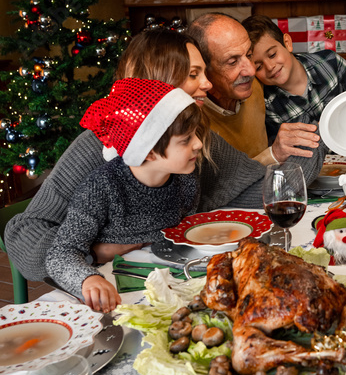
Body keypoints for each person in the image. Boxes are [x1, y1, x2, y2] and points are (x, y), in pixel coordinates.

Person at [4, 29, 325, 284]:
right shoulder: (97, 147)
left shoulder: (194, 139)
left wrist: (318, 138)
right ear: (156, 83)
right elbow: (23, 235)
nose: (207, 83)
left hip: (170, 275)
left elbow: (254, 186)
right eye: (194, 74)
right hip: (103, 286)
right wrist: (93, 251)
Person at [46, 79, 203, 312]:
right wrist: (89, 279)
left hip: (169, 282)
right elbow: (60, 254)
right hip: (115, 292)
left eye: (195, 135)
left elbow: (183, 232)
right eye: (186, 140)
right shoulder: (101, 187)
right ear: (148, 151)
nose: (199, 144)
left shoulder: (186, 180)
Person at [187, 13, 323, 165]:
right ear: (205, 71)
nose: (251, 71)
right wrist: (273, 154)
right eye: (232, 62)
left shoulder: (257, 83)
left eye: (249, 54)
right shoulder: (191, 120)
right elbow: (217, 185)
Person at [242, 15, 346, 139]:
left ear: (287, 43)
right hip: (310, 157)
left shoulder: (331, 63)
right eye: (258, 67)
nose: (269, 67)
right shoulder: (266, 103)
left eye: (272, 55)